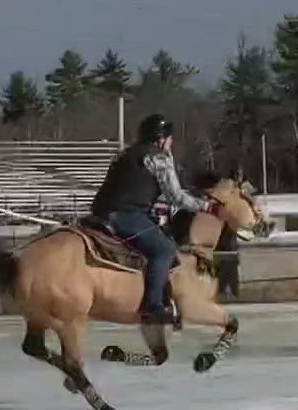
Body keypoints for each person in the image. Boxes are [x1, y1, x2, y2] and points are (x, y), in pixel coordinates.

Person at [87, 114, 211, 325]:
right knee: (164, 249)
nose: (171, 143)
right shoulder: (158, 158)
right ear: (161, 139)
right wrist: (206, 206)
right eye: (170, 138)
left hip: (99, 213)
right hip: (127, 215)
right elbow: (175, 196)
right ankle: (153, 306)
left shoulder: (124, 154)